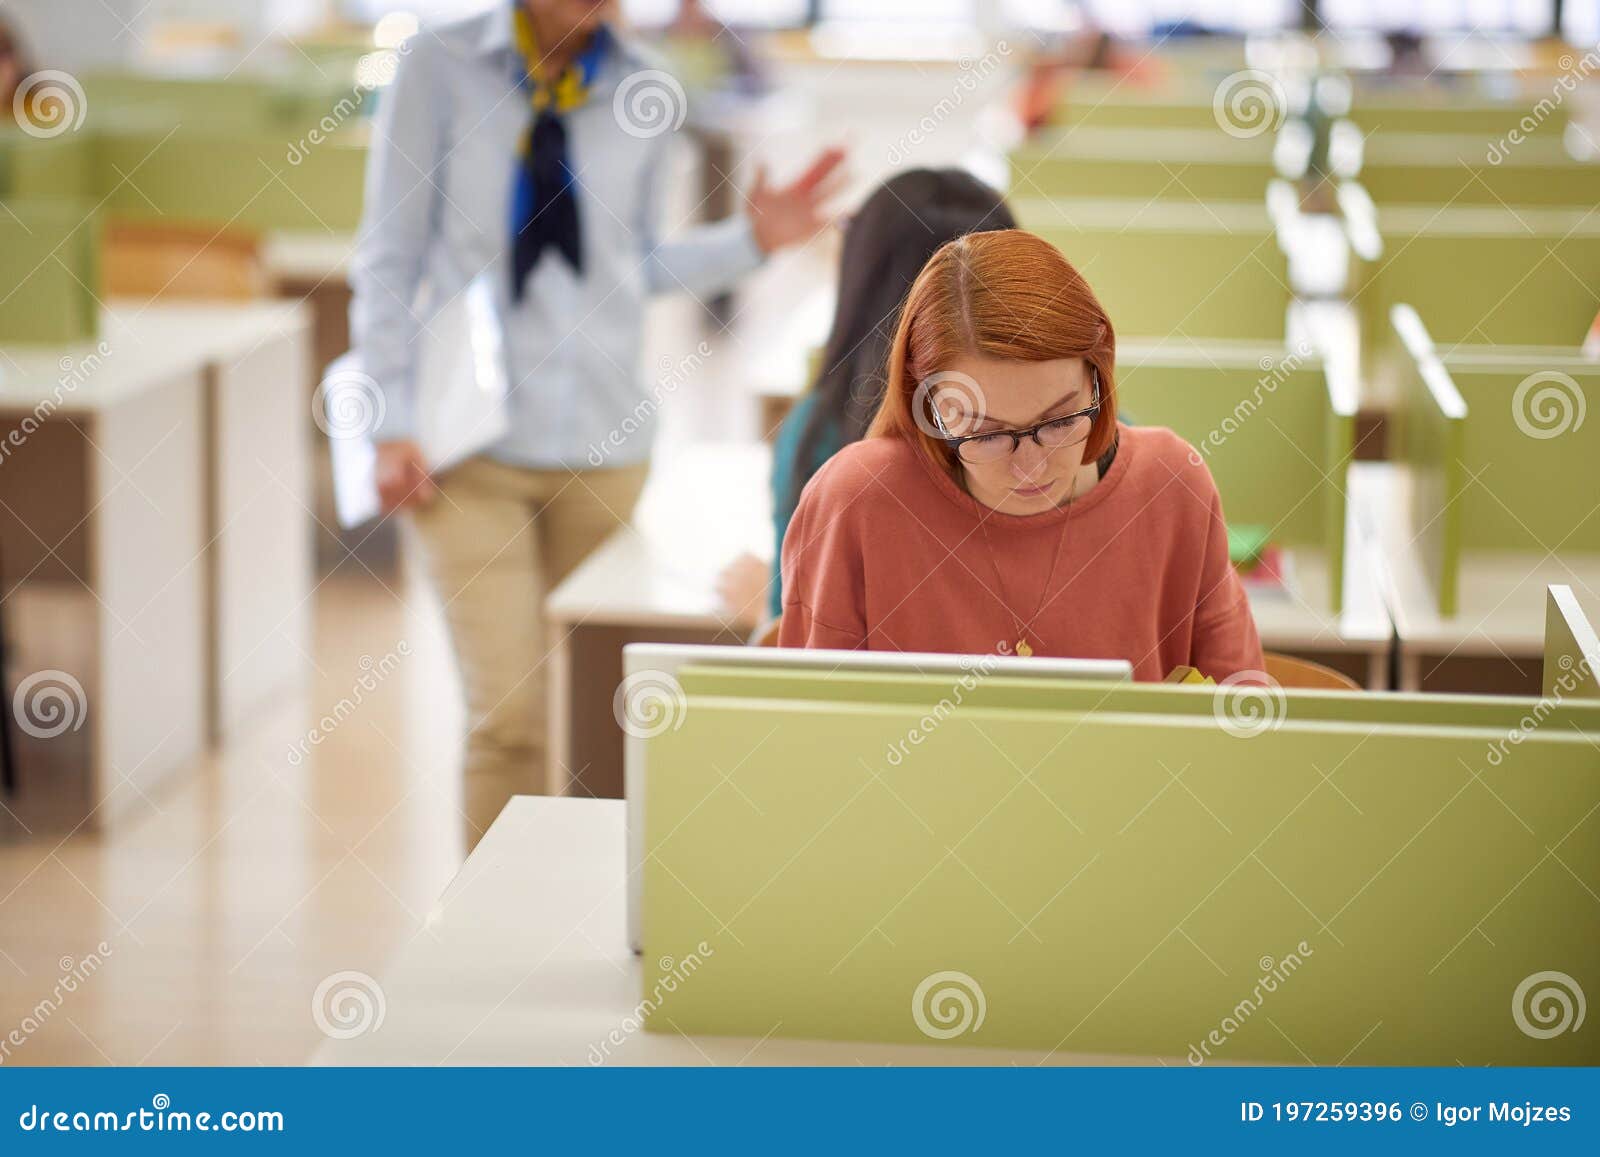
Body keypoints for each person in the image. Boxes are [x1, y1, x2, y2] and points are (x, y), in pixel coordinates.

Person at [353, 0, 843, 845]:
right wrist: (389, 419)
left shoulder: (646, 85)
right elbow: (391, 254)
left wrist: (751, 242)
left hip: (606, 449)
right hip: (466, 448)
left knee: (601, 724)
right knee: (508, 717)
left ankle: (596, 925)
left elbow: (632, 260)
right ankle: (496, 944)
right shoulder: (437, 67)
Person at [777, 229, 1263, 681]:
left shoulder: (1172, 485)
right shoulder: (857, 502)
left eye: (1058, 421)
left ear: (1098, 379)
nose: (1030, 466)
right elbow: (816, 740)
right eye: (986, 435)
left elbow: (1241, 725)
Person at [717, 169, 1015, 627]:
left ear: (862, 275)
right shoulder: (1079, 427)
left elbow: (800, 647)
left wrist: (764, 608)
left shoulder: (820, 435)